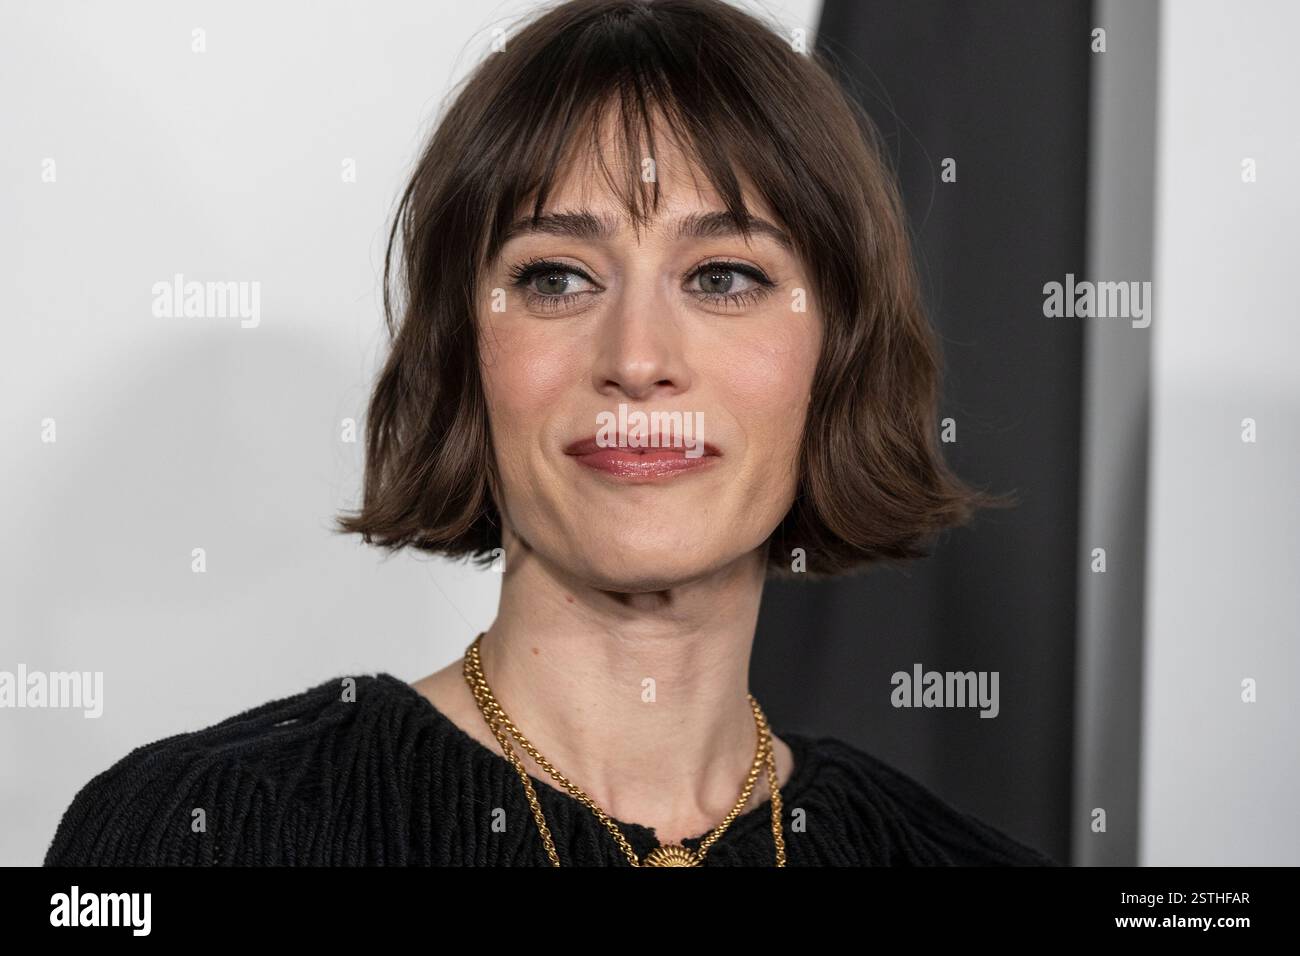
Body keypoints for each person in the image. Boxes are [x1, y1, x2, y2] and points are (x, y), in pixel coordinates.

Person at [45, 0, 1057, 867]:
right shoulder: (206, 833)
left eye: (723, 276)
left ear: (836, 353)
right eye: (556, 277)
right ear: (463, 352)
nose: (638, 354)